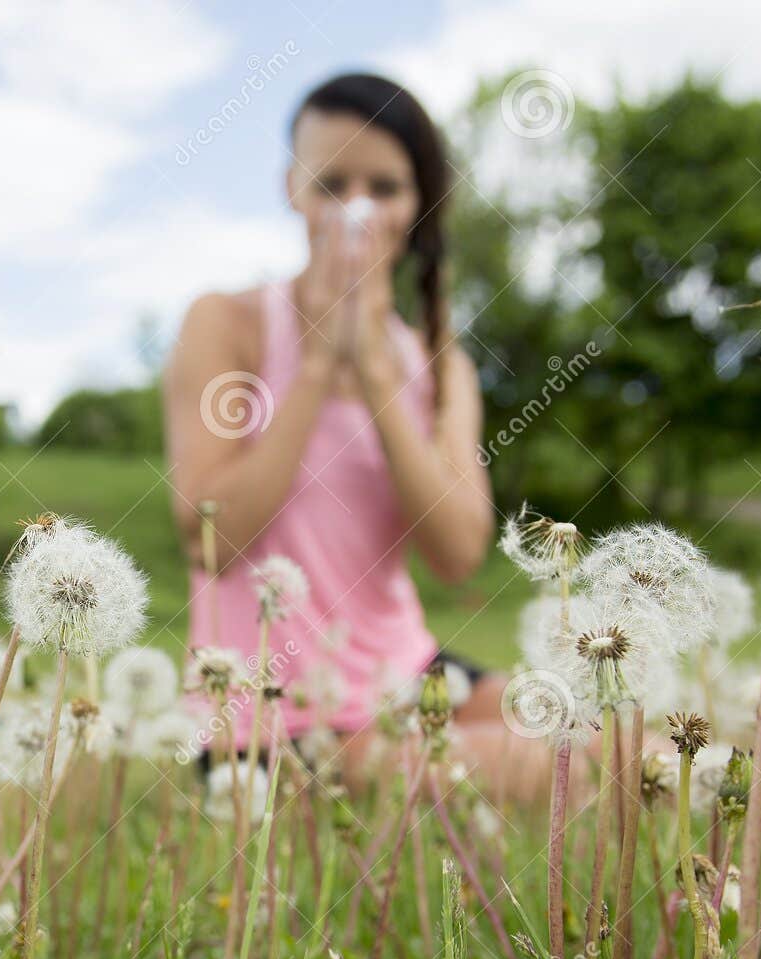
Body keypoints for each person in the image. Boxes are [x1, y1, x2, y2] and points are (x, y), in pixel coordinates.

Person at [162, 72, 547, 802]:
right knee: (561, 766)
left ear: (417, 204)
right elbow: (210, 537)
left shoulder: (439, 364)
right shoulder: (226, 323)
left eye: (384, 186)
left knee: (619, 738)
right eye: (331, 184)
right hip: (272, 722)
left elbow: (459, 552)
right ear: (291, 189)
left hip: (408, 673)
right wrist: (315, 367)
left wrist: (375, 371)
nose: (356, 209)